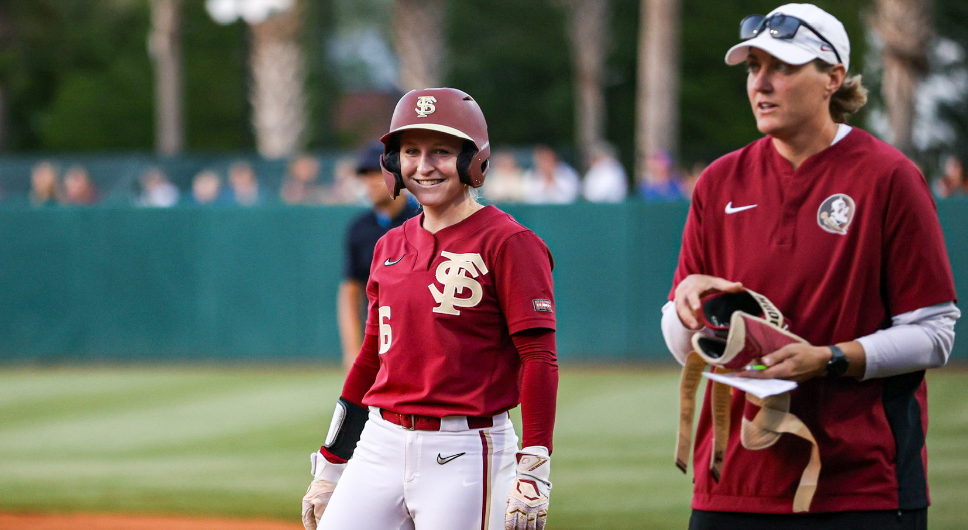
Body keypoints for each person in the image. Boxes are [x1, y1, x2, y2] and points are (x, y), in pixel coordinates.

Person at [661, 4, 958, 530]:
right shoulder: (718, 181)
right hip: (732, 485)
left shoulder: (890, 177)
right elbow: (688, 347)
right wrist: (683, 313)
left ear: (833, 79)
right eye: (754, 67)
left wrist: (827, 359)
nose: (762, 84)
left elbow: (934, 333)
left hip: (861, 485)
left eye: (783, 67)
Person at [302, 88, 559, 530]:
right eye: (410, 151)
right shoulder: (388, 245)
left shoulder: (510, 242)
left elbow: (538, 357)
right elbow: (371, 359)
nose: (423, 166)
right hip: (380, 442)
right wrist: (332, 458)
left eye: (440, 151)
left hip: (466, 449)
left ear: (472, 159)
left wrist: (534, 461)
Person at [336, 141, 420, 371]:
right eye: (365, 175)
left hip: (423, 342)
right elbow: (350, 291)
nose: (370, 182)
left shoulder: (424, 219)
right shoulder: (360, 229)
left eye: (377, 174)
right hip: (381, 342)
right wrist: (352, 351)